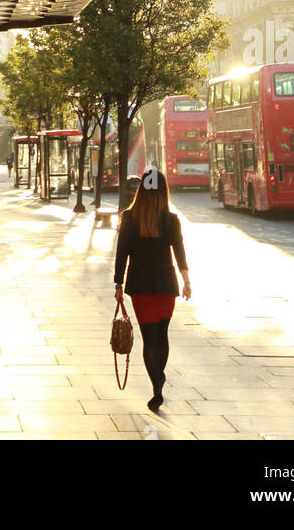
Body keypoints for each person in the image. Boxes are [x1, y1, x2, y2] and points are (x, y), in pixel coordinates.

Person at [113, 169, 191, 413]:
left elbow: (121, 253)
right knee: (162, 336)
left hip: (141, 286)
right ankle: (159, 377)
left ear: (141, 191)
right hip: (166, 285)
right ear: (163, 191)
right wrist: (186, 280)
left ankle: (156, 386)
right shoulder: (170, 219)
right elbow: (179, 251)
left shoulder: (129, 218)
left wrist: (118, 283)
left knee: (149, 339)